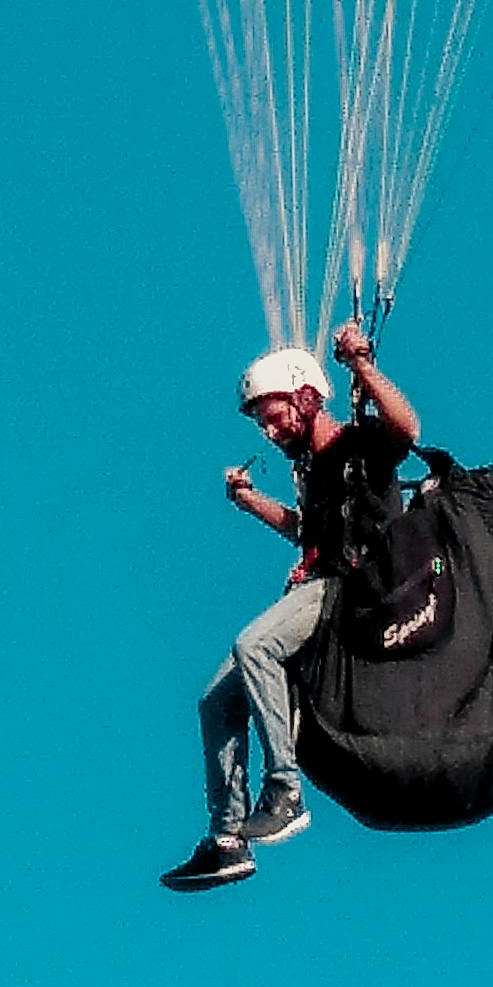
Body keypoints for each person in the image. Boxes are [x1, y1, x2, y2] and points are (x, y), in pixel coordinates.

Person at [160, 319, 421, 891]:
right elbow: (308, 533)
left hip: (353, 591)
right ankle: (227, 839)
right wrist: (252, 500)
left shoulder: (359, 446)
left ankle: (285, 790)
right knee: (215, 701)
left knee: (255, 645)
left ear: (306, 397)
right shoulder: (312, 471)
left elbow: (406, 426)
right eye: (262, 423)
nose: (270, 431)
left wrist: (360, 364)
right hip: (317, 584)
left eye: (273, 416)